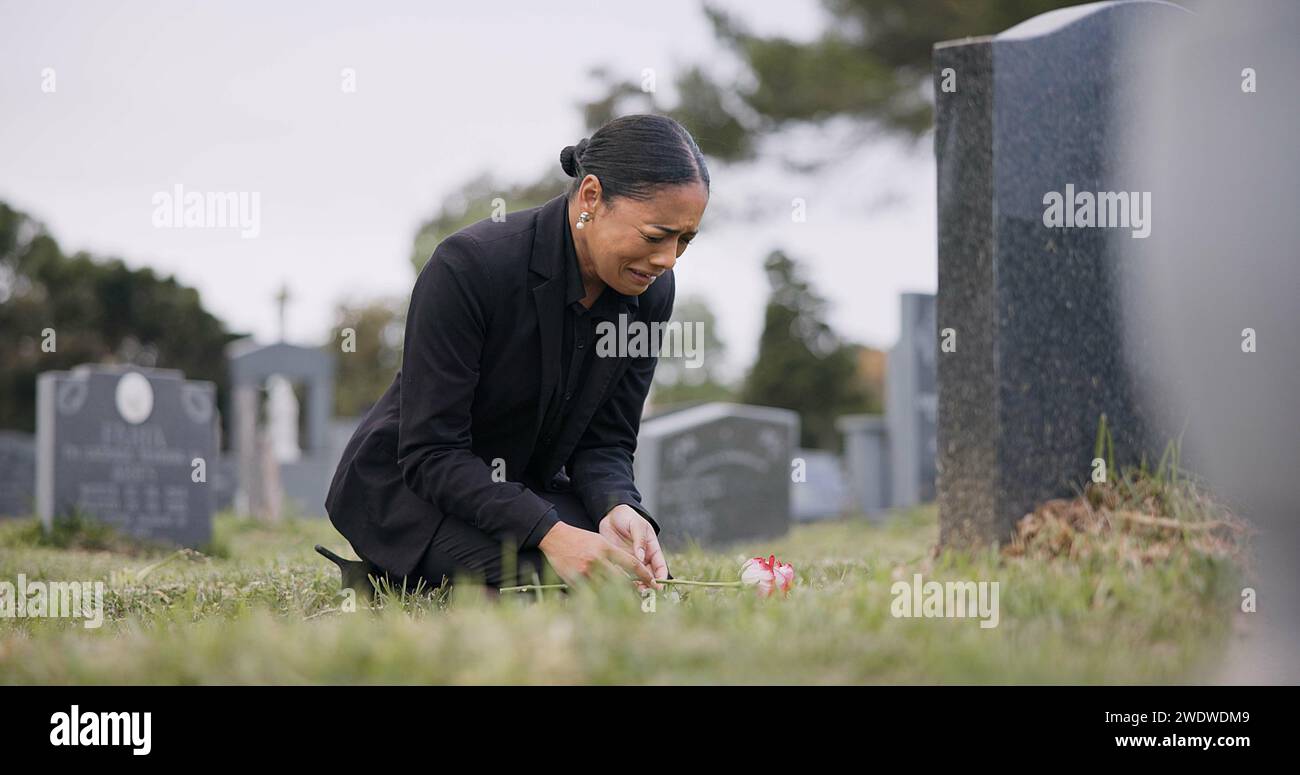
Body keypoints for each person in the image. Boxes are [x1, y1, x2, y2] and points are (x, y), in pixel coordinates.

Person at [325, 113, 710, 594]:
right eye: (656, 236)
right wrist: (551, 533)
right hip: (413, 490)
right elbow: (432, 453)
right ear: (591, 197)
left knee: (634, 576)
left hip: (522, 492)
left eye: (684, 240)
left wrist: (618, 507)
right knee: (552, 583)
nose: (668, 259)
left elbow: (606, 441)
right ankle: (391, 571)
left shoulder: (650, 292)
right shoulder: (470, 267)